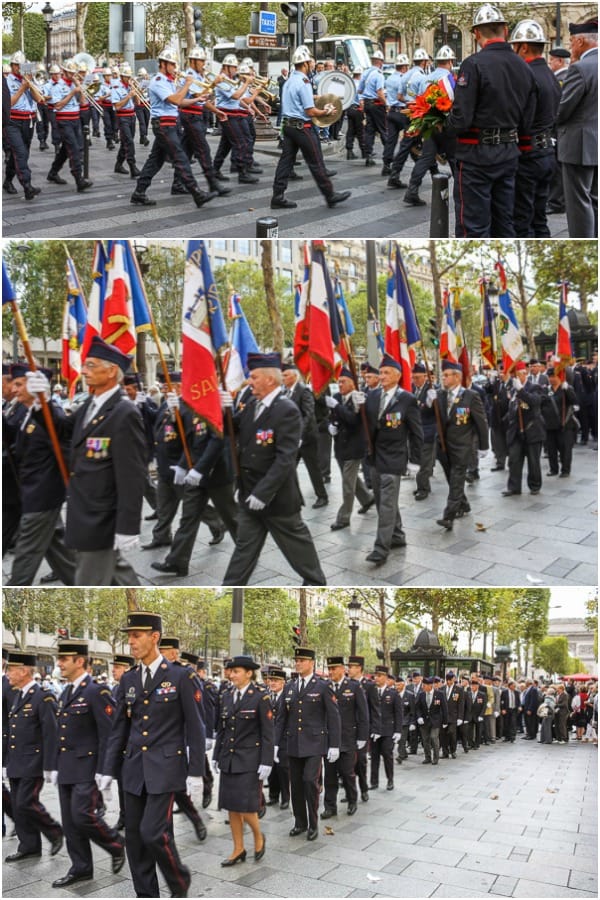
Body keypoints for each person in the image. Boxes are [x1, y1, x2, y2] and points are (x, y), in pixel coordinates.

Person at [27, 337, 147, 586]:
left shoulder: (125, 413)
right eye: (85, 365)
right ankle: (141, 610)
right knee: (115, 573)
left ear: (112, 371)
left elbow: (132, 475)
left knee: (89, 584)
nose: (84, 371)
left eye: (91, 365)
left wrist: (128, 526)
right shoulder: (91, 404)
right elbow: (62, 430)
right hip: (84, 509)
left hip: (101, 517)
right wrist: (43, 402)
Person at [104, 611, 205, 898]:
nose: (131, 642)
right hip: (134, 770)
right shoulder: (130, 680)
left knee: (152, 832)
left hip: (166, 770)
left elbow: (196, 728)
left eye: (136, 636)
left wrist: (197, 773)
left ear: (155, 637)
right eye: (129, 636)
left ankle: (179, 881)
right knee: (135, 842)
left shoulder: (180, 676)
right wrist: (107, 772)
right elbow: (118, 730)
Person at [222, 353, 326, 586]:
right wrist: (222, 410)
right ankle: (229, 589)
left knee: (298, 546)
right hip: (250, 495)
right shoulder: (251, 404)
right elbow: (231, 429)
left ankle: (316, 582)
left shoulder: (286, 409)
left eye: (254, 377)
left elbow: (285, 458)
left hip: (277, 499)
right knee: (244, 550)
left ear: (270, 380)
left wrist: (264, 492)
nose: (250, 381)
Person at [444, 3, 537, 236]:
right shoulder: (524, 67)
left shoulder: (473, 64)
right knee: (504, 223)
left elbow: (461, 119)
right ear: (505, 30)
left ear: (476, 33)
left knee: (473, 227)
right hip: (509, 153)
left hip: (476, 156)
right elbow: (528, 119)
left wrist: (443, 129)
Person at [51, 640, 125, 889]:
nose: (59, 663)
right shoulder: (66, 692)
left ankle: (116, 844)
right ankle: (81, 867)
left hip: (88, 768)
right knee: (70, 823)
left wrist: (106, 770)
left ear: (80, 661)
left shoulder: (96, 691)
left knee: (83, 816)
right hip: (67, 767)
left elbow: (110, 732)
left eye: (64, 659)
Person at [150, 393, 238, 578]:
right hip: (195, 472)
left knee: (232, 518)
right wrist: (183, 466)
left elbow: (217, 440)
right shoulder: (190, 405)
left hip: (216, 473)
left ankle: (248, 553)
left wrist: (199, 469)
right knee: (188, 517)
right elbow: (190, 440)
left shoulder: (214, 402)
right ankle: (177, 562)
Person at [4, 364, 76, 586]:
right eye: (13, 384)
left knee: (25, 558)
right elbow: (17, 449)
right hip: (29, 493)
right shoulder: (26, 413)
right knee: (60, 553)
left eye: (19, 384)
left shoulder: (48, 412)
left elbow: (65, 443)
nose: (14, 389)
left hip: (42, 496)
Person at [131, 48, 216, 208]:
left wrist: (197, 99)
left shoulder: (169, 81)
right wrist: (188, 84)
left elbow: (181, 102)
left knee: (155, 161)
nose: (175, 68)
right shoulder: (157, 81)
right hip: (163, 125)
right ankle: (197, 193)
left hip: (170, 124)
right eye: (172, 64)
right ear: (163, 64)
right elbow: (176, 100)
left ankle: (139, 193)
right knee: (181, 158)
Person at [271, 44, 350, 210]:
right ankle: (330, 195)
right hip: (303, 127)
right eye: (310, 62)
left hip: (289, 127)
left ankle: (277, 196)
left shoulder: (290, 81)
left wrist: (317, 96)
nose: (312, 65)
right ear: (305, 64)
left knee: (285, 162)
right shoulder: (304, 81)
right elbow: (310, 110)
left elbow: (297, 100)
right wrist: (326, 111)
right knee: (316, 162)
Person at [274, 647, 341, 841]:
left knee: (310, 782)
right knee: (295, 785)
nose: (298, 663)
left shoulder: (322, 685)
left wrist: (334, 744)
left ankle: (313, 823)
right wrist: (276, 744)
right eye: (296, 660)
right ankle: (300, 822)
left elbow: (333, 716)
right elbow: (281, 718)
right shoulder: (290, 686)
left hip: (314, 744)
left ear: (311, 663)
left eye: (302, 660)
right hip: (293, 744)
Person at [213, 655, 273, 866]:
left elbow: (267, 733)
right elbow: (222, 729)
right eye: (231, 671)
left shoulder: (260, 697)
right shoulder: (226, 696)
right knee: (231, 806)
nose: (232, 675)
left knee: (247, 807)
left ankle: (258, 836)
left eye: (236, 671)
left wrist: (267, 761)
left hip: (250, 760)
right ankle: (238, 848)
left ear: (249, 673)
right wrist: (215, 755)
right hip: (229, 759)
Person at [4, 650, 63, 863]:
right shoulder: (18, 695)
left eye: (11, 669)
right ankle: (29, 846)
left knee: (25, 803)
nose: (7, 673)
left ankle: (54, 831)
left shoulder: (43, 697)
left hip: (33, 761)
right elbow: (10, 730)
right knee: (19, 807)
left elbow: (51, 733)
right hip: (16, 760)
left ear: (24, 671)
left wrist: (50, 765)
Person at [364, 354, 423, 565]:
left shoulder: (407, 399)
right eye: (380, 372)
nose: (382, 376)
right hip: (375, 458)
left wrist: (415, 461)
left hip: (395, 457)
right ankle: (397, 535)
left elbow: (417, 433)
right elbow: (361, 423)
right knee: (382, 502)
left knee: (387, 504)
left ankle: (381, 548)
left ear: (397, 375)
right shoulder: (370, 396)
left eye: (386, 372)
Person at [509, 20, 561, 237]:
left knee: (522, 220)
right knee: (539, 218)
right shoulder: (550, 74)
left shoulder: (526, 75)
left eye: (514, 47)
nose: (513, 51)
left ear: (523, 47)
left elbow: (522, 120)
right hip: (547, 152)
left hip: (528, 155)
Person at [428, 360, 489, 530]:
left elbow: (481, 422)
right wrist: (428, 402)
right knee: (451, 478)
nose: (444, 379)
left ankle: (449, 516)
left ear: (457, 376)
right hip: (443, 446)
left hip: (462, 447)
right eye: (443, 375)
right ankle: (464, 504)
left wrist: (484, 445)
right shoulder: (439, 394)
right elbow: (428, 416)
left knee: (456, 480)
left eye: (447, 375)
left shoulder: (470, 396)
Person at [556, 19, 598, 237]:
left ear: (581, 41)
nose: (571, 46)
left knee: (578, 203)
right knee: (595, 200)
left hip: (578, 145)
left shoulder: (580, 68)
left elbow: (563, 110)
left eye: (572, 41)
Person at [174, 47, 231, 197]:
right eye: (201, 61)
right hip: (190, 116)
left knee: (186, 151)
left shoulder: (197, 76)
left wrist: (216, 111)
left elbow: (202, 100)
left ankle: (177, 183)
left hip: (195, 114)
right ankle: (213, 183)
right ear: (193, 61)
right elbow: (198, 94)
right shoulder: (189, 76)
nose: (203, 64)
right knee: (203, 150)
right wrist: (214, 83)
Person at [326, 367, 374, 529]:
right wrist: (330, 426)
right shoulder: (337, 397)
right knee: (352, 480)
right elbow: (331, 417)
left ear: (353, 383)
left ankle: (343, 518)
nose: (339, 384)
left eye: (343, 381)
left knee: (347, 484)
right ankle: (367, 499)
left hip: (354, 447)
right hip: (340, 447)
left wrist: (337, 407)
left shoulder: (358, 397)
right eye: (338, 381)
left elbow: (354, 420)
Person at [322, 656, 369, 818]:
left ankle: (352, 800)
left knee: (347, 772)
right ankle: (330, 806)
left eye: (334, 669)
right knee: (329, 775)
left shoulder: (354, 687)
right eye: (329, 669)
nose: (331, 672)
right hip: (329, 739)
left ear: (343, 669)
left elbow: (363, 713)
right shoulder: (325, 687)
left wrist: (362, 736)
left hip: (348, 738)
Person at [282, 363, 328, 509]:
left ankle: (322, 496)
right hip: (292, 439)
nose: (283, 378)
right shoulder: (284, 392)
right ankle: (295, 497)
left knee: (313, 468)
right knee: (288, 469)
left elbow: (308, 415)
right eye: (282, 375)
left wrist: (300, 435)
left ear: (294, 376)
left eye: (286, 375)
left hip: (306, 438)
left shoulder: (304, 391)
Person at [46, 60, 93, 193]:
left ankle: (53, 172)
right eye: (70, 73)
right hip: (64, 120)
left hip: (75, 119)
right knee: (74, 149)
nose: (73, 75)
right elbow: (58, 105)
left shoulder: (74, 84)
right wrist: (72, 93)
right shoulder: (57, 86)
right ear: (64, 72)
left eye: (74, 73)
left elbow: (83, 103)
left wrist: (80, 87)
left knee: (66, 150)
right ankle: (79, 180)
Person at [500, 361, 546, 496]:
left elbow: (534, 402)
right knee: (514, 460)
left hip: (532, 430)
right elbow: (513, 408)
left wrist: (521, 390)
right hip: (516, 431)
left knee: (533, 461)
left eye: (517, 375)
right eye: (513, 376)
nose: (514, 378)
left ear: (524, 374)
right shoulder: (513, 389)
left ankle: (535, 485)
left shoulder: (535, 387)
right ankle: (514, 487)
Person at [4, 51, 42, 200]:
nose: (19, 69)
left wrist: (30, 85)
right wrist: (21, 88)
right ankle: (27, 186)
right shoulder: (6, 82)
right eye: (16, 65)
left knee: (21, 154)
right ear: (12, 66)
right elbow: (8, 104)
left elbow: (40, 99)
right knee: (20, 153)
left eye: (22, 66)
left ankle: (7, 181)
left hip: (28, 121)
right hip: (12, 122)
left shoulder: (30, 80)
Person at [346, 656, 379, 801]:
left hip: (362, 731)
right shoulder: (346, 684)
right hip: (347, 731)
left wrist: (375, 729)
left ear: (359, 668)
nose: (349, 669)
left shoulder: (369, 686)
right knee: (347, 765)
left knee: (360, 762)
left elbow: (375, 709)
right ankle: (350, 792)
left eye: (351, 667)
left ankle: (364, 788)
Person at [541, 367, 578, 477]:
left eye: (553, 376)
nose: (551, 379)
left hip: (564, 424)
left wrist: (567, 389)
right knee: (551, 449)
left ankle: (565, 470)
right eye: (550, 377)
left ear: (560, 377)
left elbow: (574, 401)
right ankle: (553, 469)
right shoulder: (546, 390)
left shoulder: (566, 388)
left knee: (565, 449)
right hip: (549, 425)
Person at [369, 665, 402, 789]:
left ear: (386, 677)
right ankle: (374, 781)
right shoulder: (371, 692)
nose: (376, 678)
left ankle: (390, 780)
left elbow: (398, 713)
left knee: (387, 756)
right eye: (376, 676)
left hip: (388, 731)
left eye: (380, 676)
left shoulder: (393, 694)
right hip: (374, 730)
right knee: (374, 756)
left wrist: (398, 731)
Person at [358, 49, 388, 171]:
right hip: (377, 104)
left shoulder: (365, 73)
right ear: (380, 62)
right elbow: (380, 93)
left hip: (367, 104)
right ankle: (388, 154)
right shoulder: (379, 74)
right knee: (383, 129)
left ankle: (368, 156)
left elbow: (359, 90)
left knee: (369, 131)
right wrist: (387, 104)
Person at [265, 668, 290, 809]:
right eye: (271, 680)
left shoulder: (287, 697)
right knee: (272, 769)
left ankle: (285, 797)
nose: (272, 683)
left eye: (276, 681)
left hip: (284, 740)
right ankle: (273, 795)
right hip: (269, 739)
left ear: (283, 682)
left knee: (283, 769)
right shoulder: (266, 696)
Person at [111, 63, 140, 179]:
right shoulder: (116, 88)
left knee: (126, 142)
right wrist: (128, 96)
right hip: (122, 117)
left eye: (130, 76)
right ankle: (133, 166)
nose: (129, 79)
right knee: (129, 142)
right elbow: (117, 106)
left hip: (132, 116)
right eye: (127, 77)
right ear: (122, 77)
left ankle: (118, 165)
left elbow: (138, 103)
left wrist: (135, 91)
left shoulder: (129, 86)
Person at [415, 676, 448, 765]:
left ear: (430, 685)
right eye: (423, 685)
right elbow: (417, 708)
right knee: (425, 740)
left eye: (424, 685)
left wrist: (445, 721)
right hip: (424, 721)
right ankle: (427, 757)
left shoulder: (440, 694)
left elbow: (444, 708)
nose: (423, 687)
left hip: (435, 721)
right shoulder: (421, 694)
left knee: (434, 738)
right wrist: (419, 717)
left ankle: (436, 757)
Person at [440, 671, 465, 760]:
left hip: (453, 716)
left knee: (451, 733)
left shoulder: (459, 690)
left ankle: (453, 750)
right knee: (443, 735)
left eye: (452, 680)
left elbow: (461, 704)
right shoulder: (441, 689)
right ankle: (445, 752)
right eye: (449, 680)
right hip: (443, 717)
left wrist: (460, 718)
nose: (450, 682)